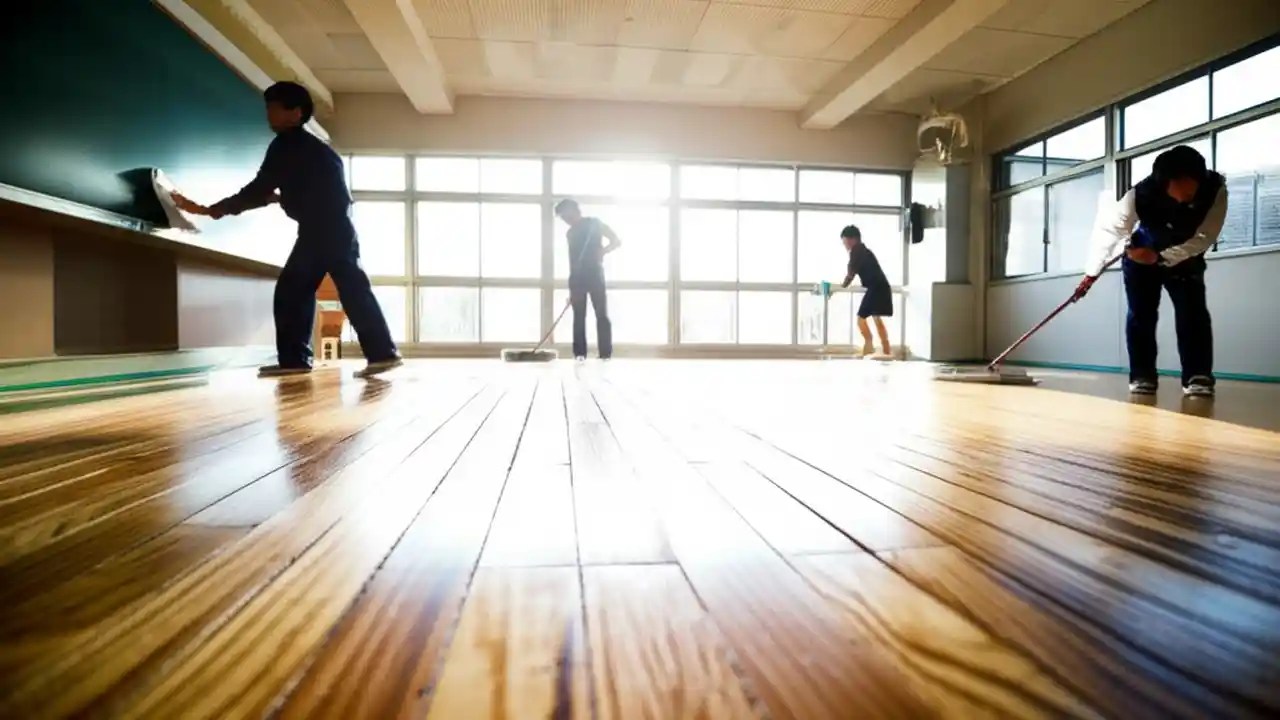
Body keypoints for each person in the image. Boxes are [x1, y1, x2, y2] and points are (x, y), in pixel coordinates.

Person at [172, 81, 402, 379]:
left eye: (274, 108)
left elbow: (259, 188)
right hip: (334, 227)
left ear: (295, 113)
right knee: (346, 289)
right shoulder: (313, 148)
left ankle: (298, 360)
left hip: (321, 230)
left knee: (294, 291)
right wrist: (285, 197)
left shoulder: (288, 144)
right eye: (268, 107)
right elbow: (306, 188)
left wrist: (209, 210)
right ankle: (380, 353)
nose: (268, 114)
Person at [1075, 145, 1226, 398]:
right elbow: (1110, 231)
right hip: (1140, 258)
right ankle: (1142, 375)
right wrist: (1092, 272)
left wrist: (1161, 257)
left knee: (1193, 313)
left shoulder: (1215, 191)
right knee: (1141, 315)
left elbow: (1205, 236)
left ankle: (1197, 376)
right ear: (1165, 182)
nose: (1186, 196)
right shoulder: (1139, 195)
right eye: (1180, 188)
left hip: (1185, 257)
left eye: (1191, 188)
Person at [554, 199, 621, 361]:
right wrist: (571, 289)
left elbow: (616, 241)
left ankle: (605, 354)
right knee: (578, 316)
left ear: (573, 210)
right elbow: (573, 262)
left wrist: (603, 251)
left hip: (595, 275)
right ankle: (579, 354)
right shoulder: (570, 233)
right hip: (577, 279)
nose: (564, 220)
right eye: (562, 217)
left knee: (601, 315)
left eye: (565, 215)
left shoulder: (594, 224)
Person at [840, 224, 893, 358]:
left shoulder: (856, 251)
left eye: (845, 241)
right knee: (876, 318)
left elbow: (851, 273)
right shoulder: (865, 251)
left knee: (861, 320)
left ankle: (869, 345)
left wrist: (842, 286)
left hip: (876, 287)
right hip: (881, 286)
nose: (844, 245)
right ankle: (886, 350)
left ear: (852, 240)